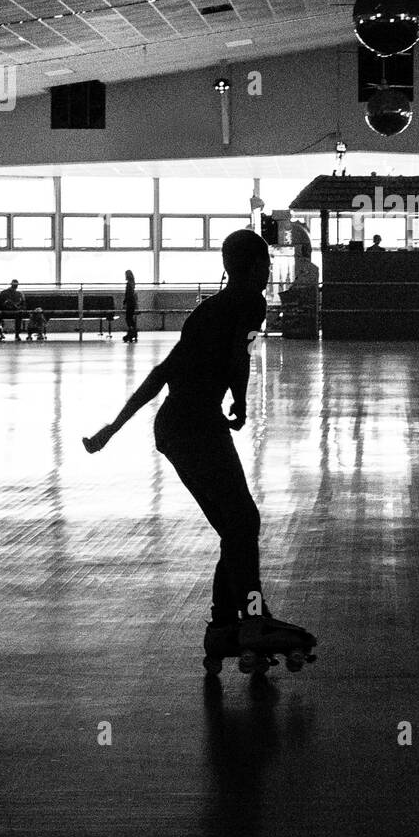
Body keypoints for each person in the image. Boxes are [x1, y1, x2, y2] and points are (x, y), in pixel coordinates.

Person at [82, 231, 312, 661]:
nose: (264, 273)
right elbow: (239, 355)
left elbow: (162, 373)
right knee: (242, 521)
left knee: (235, 526)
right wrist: (240, 399)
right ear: (245, 268)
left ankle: (225, 627)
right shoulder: (249, 303)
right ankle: (252, 621)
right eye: (260, 265)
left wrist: (113, 428)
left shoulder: (206, 311)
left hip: (175, 427)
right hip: (196, 427)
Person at [123, 270, 138, 344]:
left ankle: (131, 331)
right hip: (133, 303)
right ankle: (133, 331)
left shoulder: (128, 284)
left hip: (129, 303)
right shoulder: (133, 283)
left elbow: (127, 294)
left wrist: (124, 302)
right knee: (130, 318)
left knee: (128, 318)